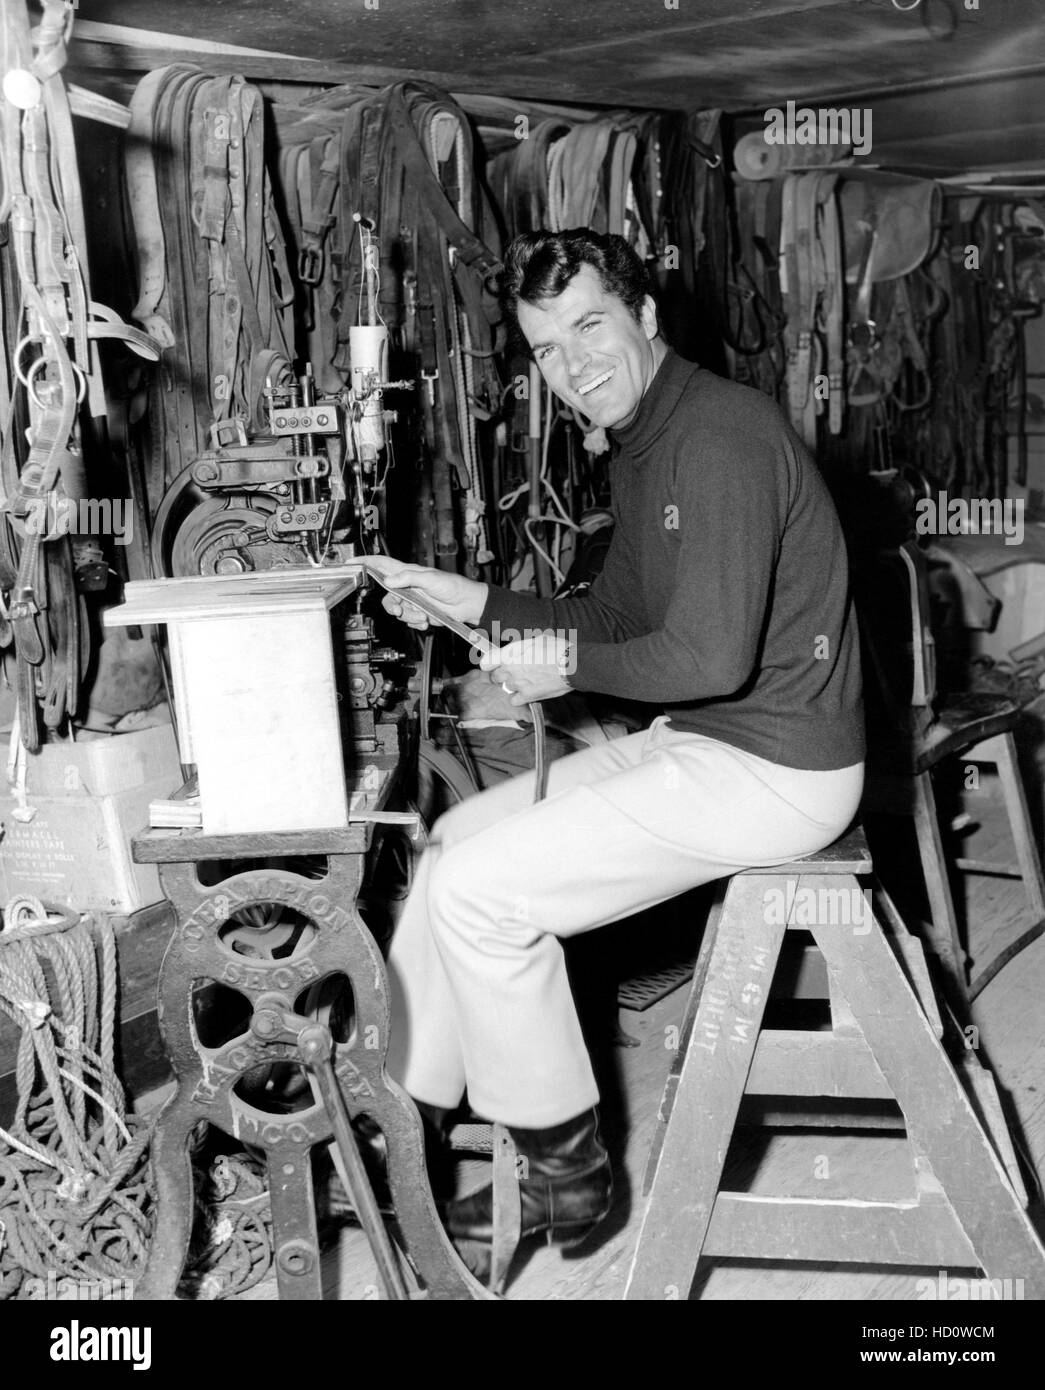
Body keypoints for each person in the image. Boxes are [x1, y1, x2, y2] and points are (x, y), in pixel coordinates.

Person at [376, 227, 865, 1284]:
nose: (571, 364)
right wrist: (475, 599)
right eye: (546, 348)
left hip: (780, 768)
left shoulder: (721, 436)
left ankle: (570, 1175)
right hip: (711, 741)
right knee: (454, 840)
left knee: (479, 895)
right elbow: (618, 612)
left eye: (590, 326)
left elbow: (707, 652)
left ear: (645, 316)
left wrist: (564, 666)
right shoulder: (649, 435)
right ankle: (404, 1126)